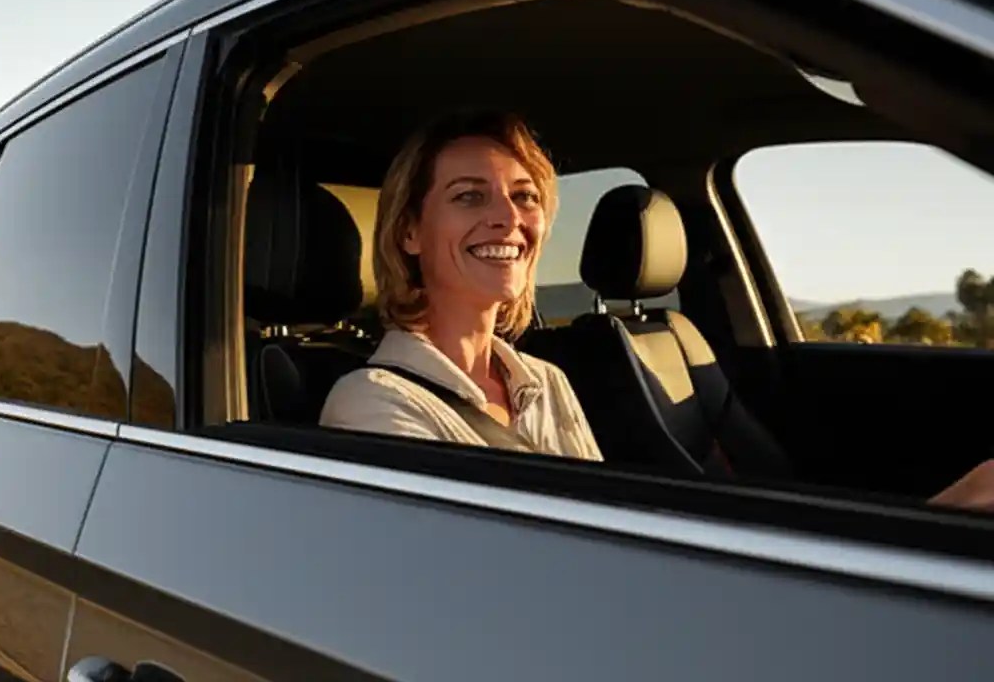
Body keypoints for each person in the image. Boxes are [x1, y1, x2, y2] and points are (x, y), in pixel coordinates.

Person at [318, 109, 994, 512]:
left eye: (525, 197)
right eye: (470, 197)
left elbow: (596, 528)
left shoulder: (544, 382)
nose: (508, 218)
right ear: (408, 232)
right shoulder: (372, 404)